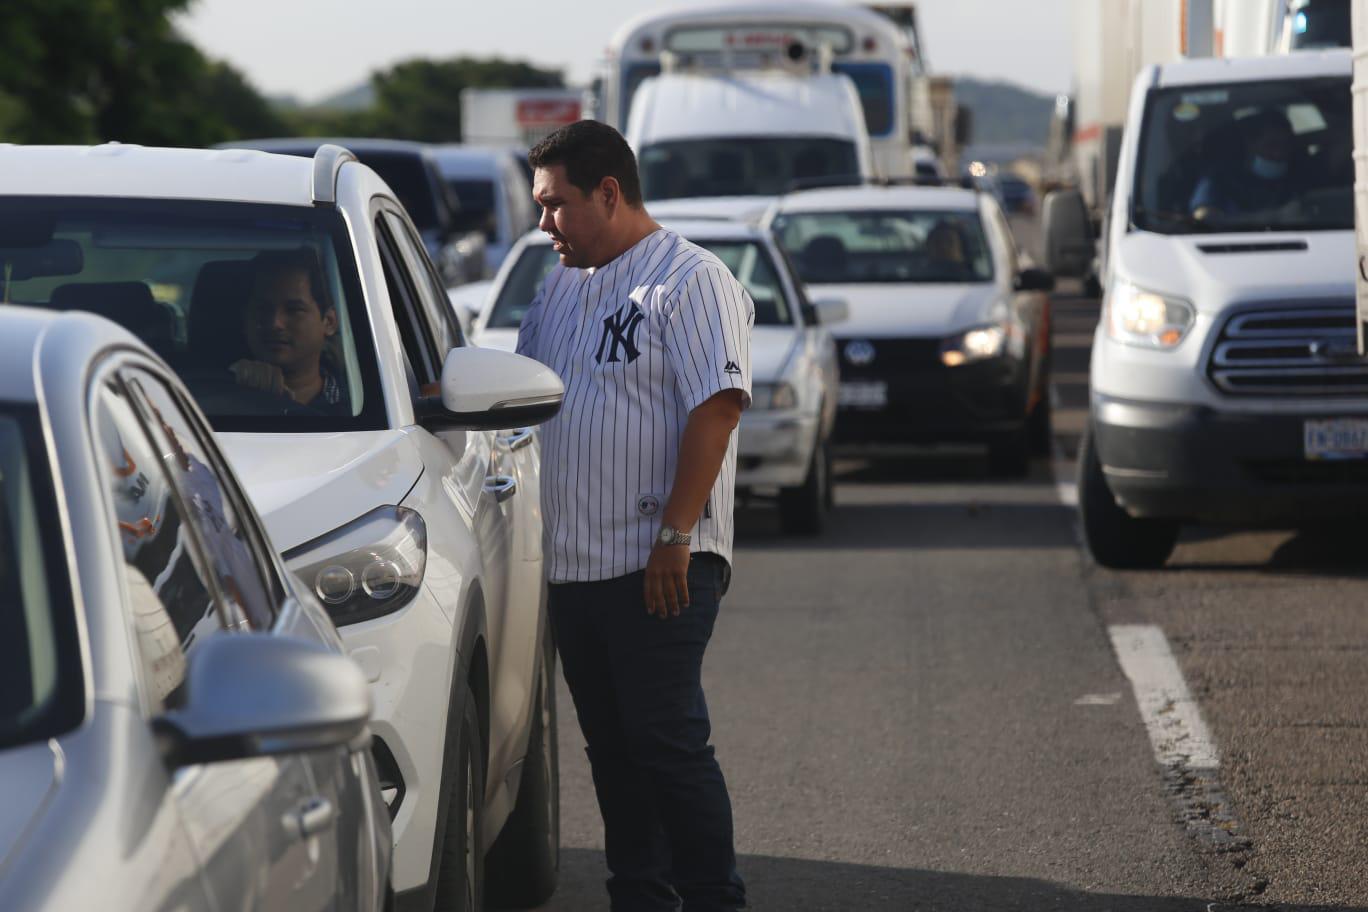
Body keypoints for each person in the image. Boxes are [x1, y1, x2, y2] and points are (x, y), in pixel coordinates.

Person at [516, 119, 752, 912]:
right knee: (613, 751)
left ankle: (714, 897)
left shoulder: (690, 281)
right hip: (575, 567)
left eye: (556, 206)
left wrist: (675, 539)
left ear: (609, 193)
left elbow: (715, 412)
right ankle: (641, 898)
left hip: (661, 560)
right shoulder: (560, 287)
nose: (544, 224)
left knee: (667, 742)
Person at [231, 248, 349, 414]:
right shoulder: (201, 405)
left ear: (329, 322)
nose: (275, 323)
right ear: (245, 319)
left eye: (294, 310)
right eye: (263, 309)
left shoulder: (359, 407)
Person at [1189, 110, 1298, 219]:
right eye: (1271, 145)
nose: (1279, 153)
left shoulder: (1300, 174)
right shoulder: (1219, 178)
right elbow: (1203, 215)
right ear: (1250, 144)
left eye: (1286, 145)